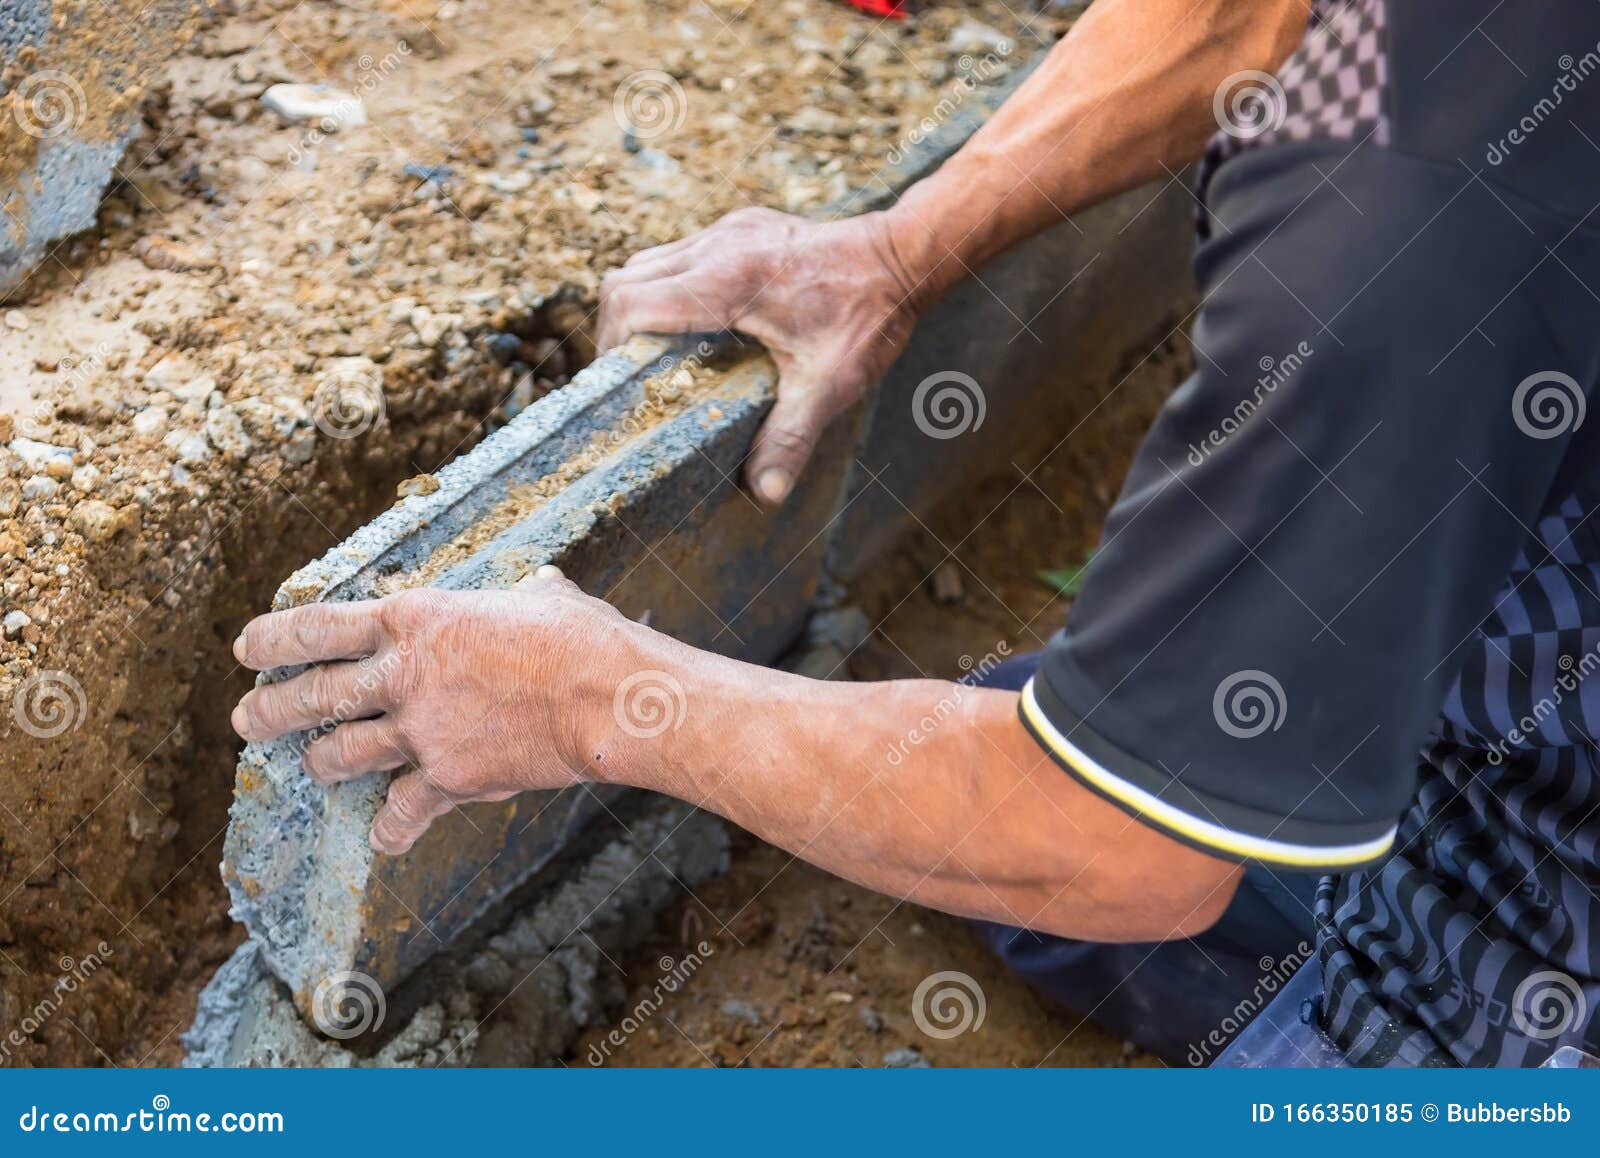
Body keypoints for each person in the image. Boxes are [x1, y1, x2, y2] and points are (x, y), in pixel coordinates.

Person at [230, 0, 1600, 1066]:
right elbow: (1232, 22)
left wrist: (598, 697)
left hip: (1543, 964)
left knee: (1076, 818)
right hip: (1512, 681)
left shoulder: (1406, 222)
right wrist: (896, 250)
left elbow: (1126, 844)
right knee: (1025, 778)